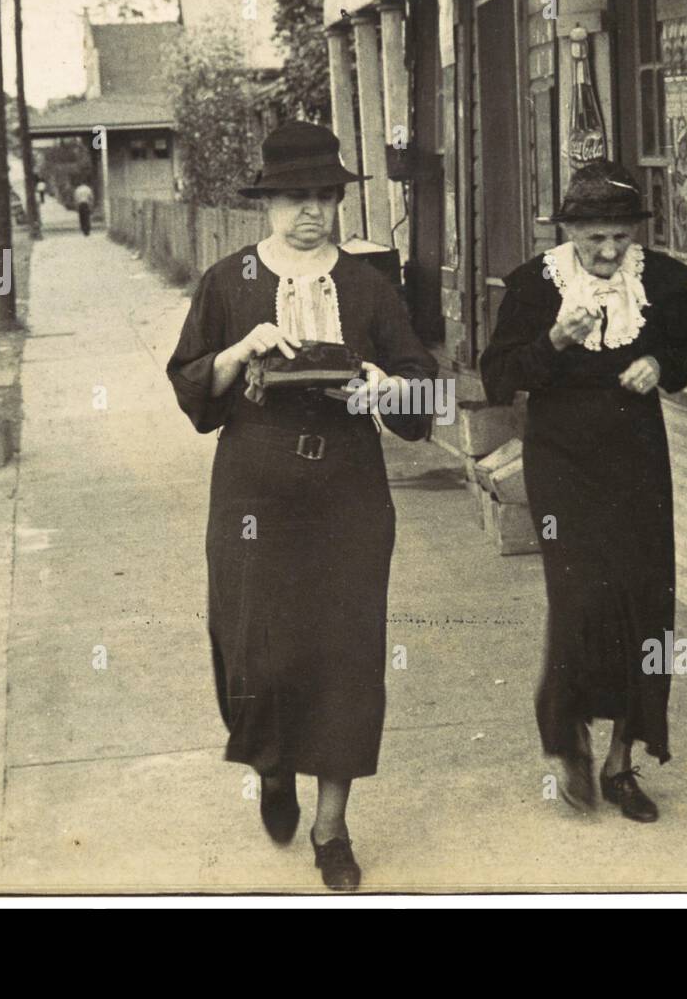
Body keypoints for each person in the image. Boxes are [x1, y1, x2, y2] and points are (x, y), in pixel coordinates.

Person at [165, 121, 438, 891]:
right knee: (254, 650)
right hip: (252, 494)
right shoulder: (230, 281)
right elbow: (191, 384)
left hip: (347, 496)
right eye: (294, 197)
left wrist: (389, 385)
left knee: (345, 656)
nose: (310, 211)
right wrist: (238, 351)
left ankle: (332, 824)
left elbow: (424, 388)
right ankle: (273, 764)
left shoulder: (368, 286)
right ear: (268, 202)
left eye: (324, 195)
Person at [479, 160, 687, 822]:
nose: (609, 253)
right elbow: (497, 376)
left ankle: (620, 764)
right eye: (594, 241)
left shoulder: (663, 280)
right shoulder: (533, 286)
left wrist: (661, 363)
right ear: (571, 234)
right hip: (561, 459)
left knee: (643, 601)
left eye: (619, 238)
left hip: (637, 456)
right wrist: (553, 340)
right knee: (581, 596)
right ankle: (566, 734)